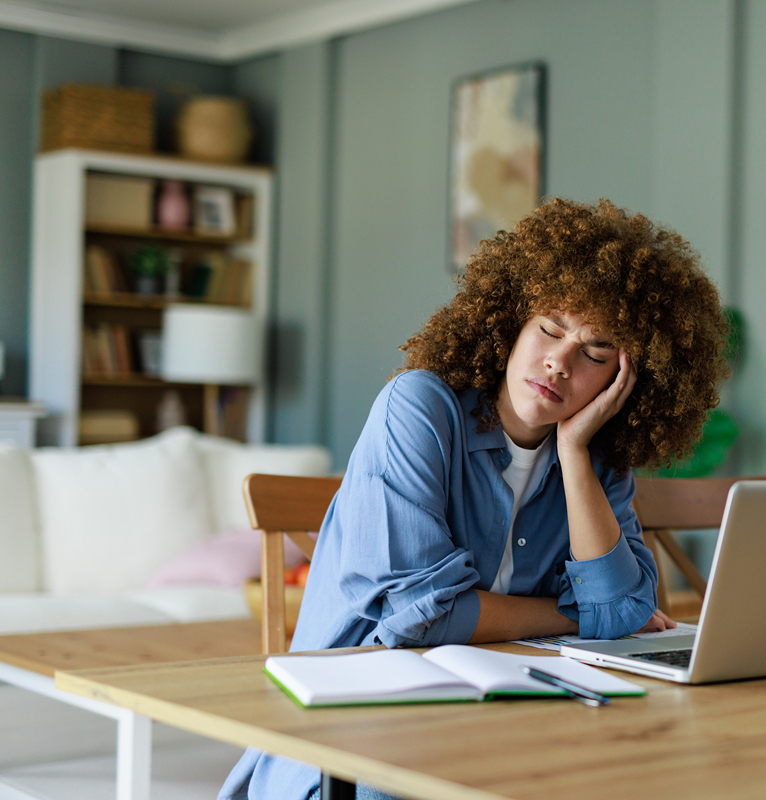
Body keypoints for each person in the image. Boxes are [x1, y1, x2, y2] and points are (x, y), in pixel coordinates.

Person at [220, 198, 728, 800]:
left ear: (624, 383)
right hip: (348, 749)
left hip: (508, 735)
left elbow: (625, 605)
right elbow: (422, 617)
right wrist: (579, 617)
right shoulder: (419, 408)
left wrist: (572, 452)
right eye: (549, 328)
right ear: (512, 319)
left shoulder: (597, 464)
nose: (558, 362)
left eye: (595, 353)